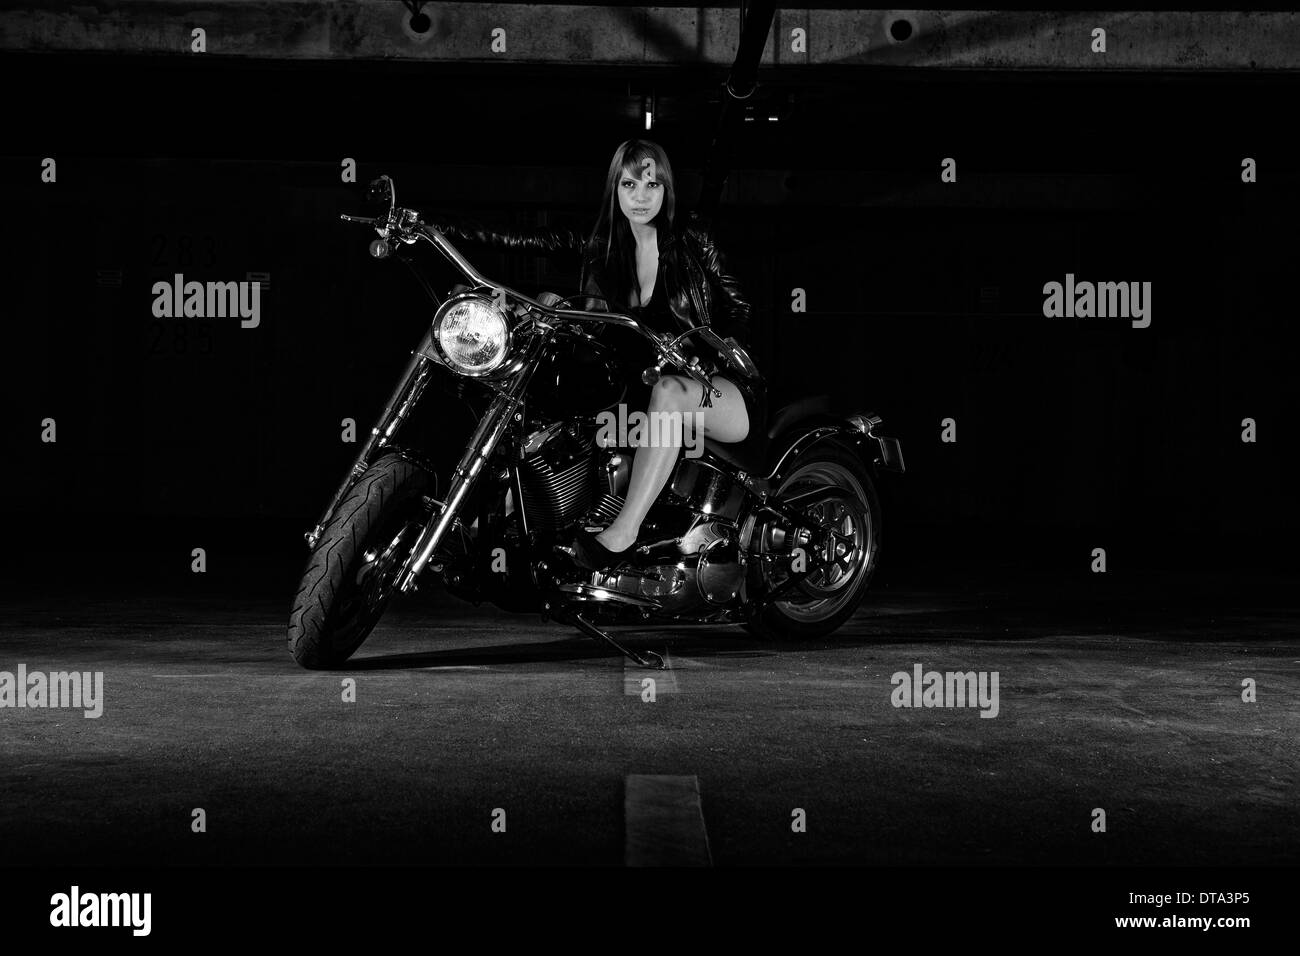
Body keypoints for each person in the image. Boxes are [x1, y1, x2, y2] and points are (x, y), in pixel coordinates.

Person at [430, 138, 758, 572]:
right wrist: (429, 226)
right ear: (615, 190)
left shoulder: (692, 241)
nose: (640, 197)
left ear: (666, 190)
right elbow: (522, 238)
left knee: (671, 390)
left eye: (651, 185)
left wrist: (714, 351)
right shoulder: (602, 247)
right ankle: (487, 524)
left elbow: (739, 308)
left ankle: (623, 533)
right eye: (629, 185)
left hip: (715, 387)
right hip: (638, 389)